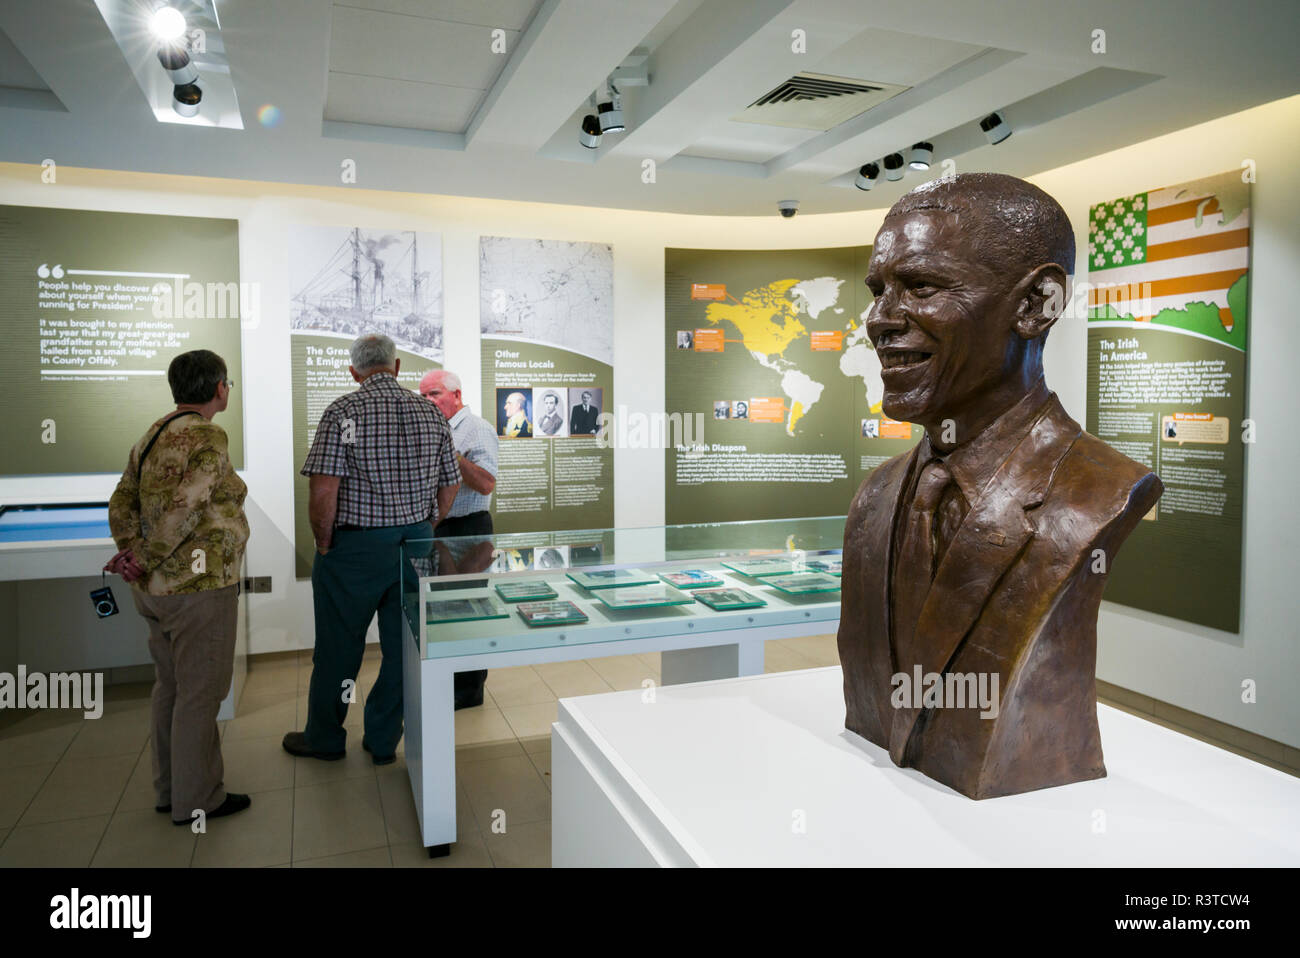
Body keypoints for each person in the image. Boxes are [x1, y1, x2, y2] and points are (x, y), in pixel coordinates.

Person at [837, 173, 1162, 800]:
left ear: (1036, 303)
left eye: (922, 286)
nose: (880, 319)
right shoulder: (876, 496)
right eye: (878, 290)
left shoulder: (1100, 493)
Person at [284, 334, 460, 765]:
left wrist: (324, 544)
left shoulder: (343, 411)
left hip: (357, 549)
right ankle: (382, 740)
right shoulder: (430, 411)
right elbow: (451, 481)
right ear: (396, 367)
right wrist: (427, 523)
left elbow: (324, 489)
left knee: (339, 648)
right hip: (415, 545)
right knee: (405, 649)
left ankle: (325, 738)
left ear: (353, 372)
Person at [106, 349, 251, 826]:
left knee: (170, 687)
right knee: (200, 694)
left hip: (154, 589)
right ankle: (198, 801)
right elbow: (188, 504)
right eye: (227, 383)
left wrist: (132, 553)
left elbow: (120, 499)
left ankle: (170, 790)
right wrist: (143, 554)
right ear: (218, 388)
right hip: (199, 585)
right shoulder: (208, 433)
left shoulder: (154, 432)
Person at [419, 368, 499, 709]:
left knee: (468, 612)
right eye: (423, 396)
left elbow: (486, 483)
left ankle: (470, 689)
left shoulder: (477, 429)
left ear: (456, 395)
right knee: (444, 612)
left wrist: (453, 458)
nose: (428, 401)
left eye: (434, 394)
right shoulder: (434, 429)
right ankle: (452, 681)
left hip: (469, 529)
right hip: (441, 529)